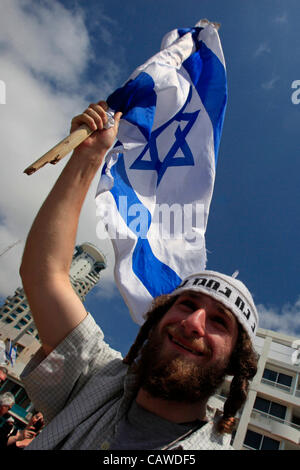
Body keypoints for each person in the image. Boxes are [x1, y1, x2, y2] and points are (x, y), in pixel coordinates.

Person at [19, 102, 258, 450]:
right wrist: (88, 156)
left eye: (220, 321)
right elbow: (45, 275)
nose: (194, 322)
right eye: (187, 303)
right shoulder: (97, 382)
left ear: (236, 361)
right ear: (156, 319)